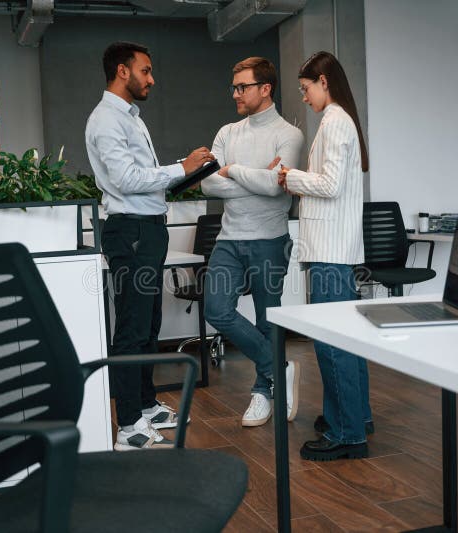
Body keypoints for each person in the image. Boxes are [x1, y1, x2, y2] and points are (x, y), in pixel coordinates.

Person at [85, 41, 214, 451]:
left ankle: (143, 404)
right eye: (145, 70)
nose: (151, 78)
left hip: (148, 228)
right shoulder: (106, 119)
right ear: (122, 71)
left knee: (148, 324)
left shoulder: (129, 117)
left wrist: (189, 171)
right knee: (132, 328)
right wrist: (181, 168)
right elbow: (125, 179)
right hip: (131, 230)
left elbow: (142, 174)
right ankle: (127, 428)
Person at [278, 51, 373, 461]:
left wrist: (289, 177)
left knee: (330, 343)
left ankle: (346, 433)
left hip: (330, 250)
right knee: (344, 339)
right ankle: (355, 416)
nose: (304, 97)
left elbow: (330, 184)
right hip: (336, 247)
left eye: (305, 89)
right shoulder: (340, 121)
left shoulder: (335, 122)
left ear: (323, 81)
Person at [201, 57, 304, 427]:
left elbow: (276, 191)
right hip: (229, 239)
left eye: (242, 86)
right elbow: (207, 183)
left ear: (265, 89)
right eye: (234, 86)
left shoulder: (289, 135)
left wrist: (236, 172)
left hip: (270, 240)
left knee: (267, 321)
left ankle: (263, 392)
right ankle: (280, 367)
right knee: (216, 310)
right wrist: (259, 177)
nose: (235, 94)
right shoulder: (227, 132)